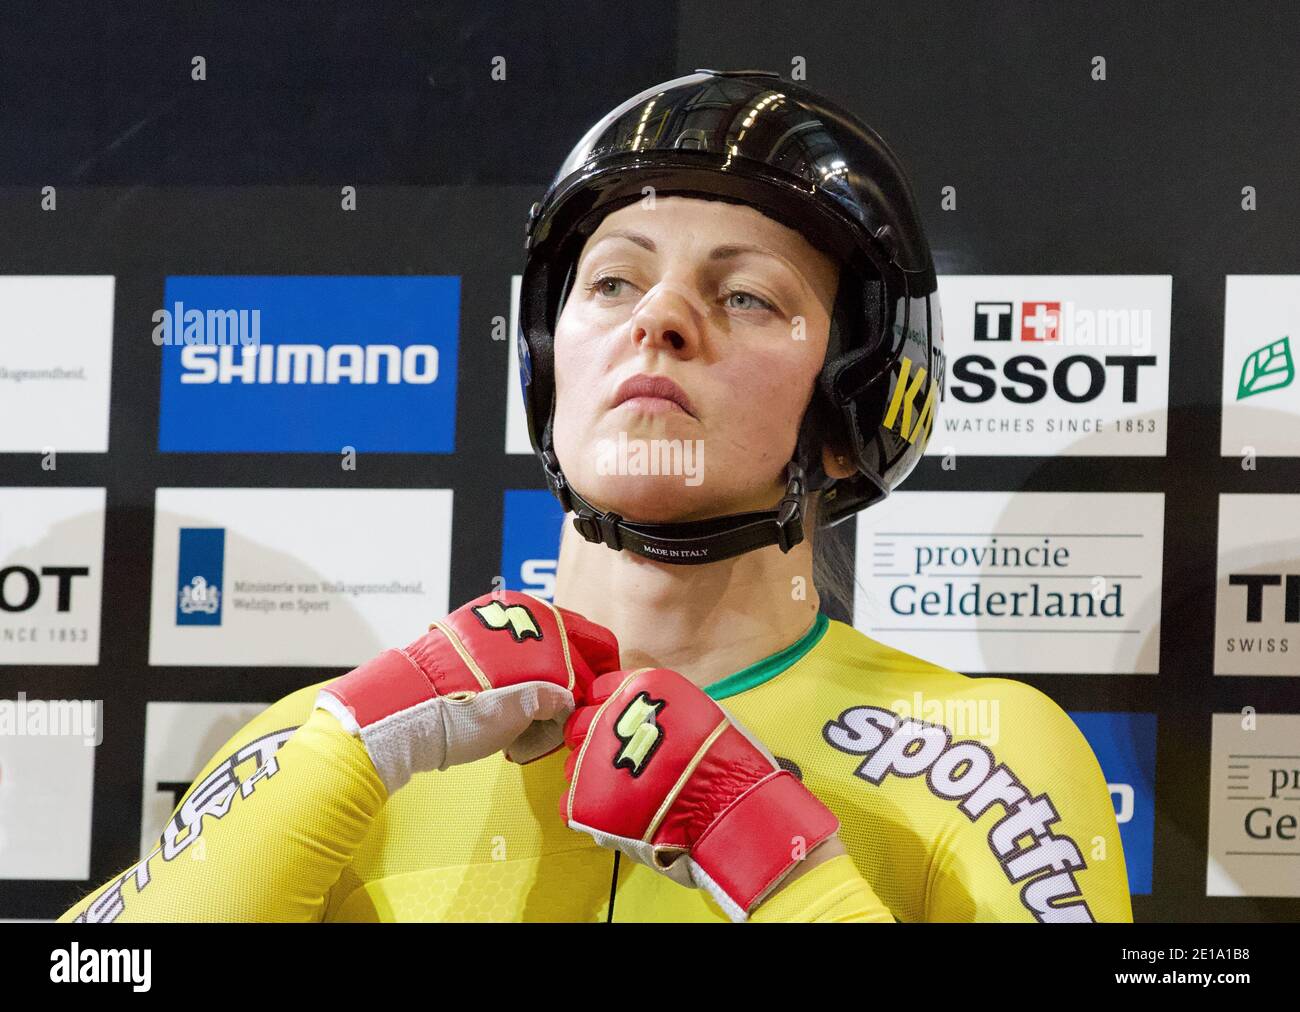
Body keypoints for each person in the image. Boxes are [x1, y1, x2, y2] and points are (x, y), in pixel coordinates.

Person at [59, 70, 1131, 923]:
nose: (656, 317)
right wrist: (331, 756)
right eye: (612, 280)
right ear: (546, 360)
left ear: (855, 403)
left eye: (746, 294)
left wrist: (791, 880)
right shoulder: (334, 738)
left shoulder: (982, 756)